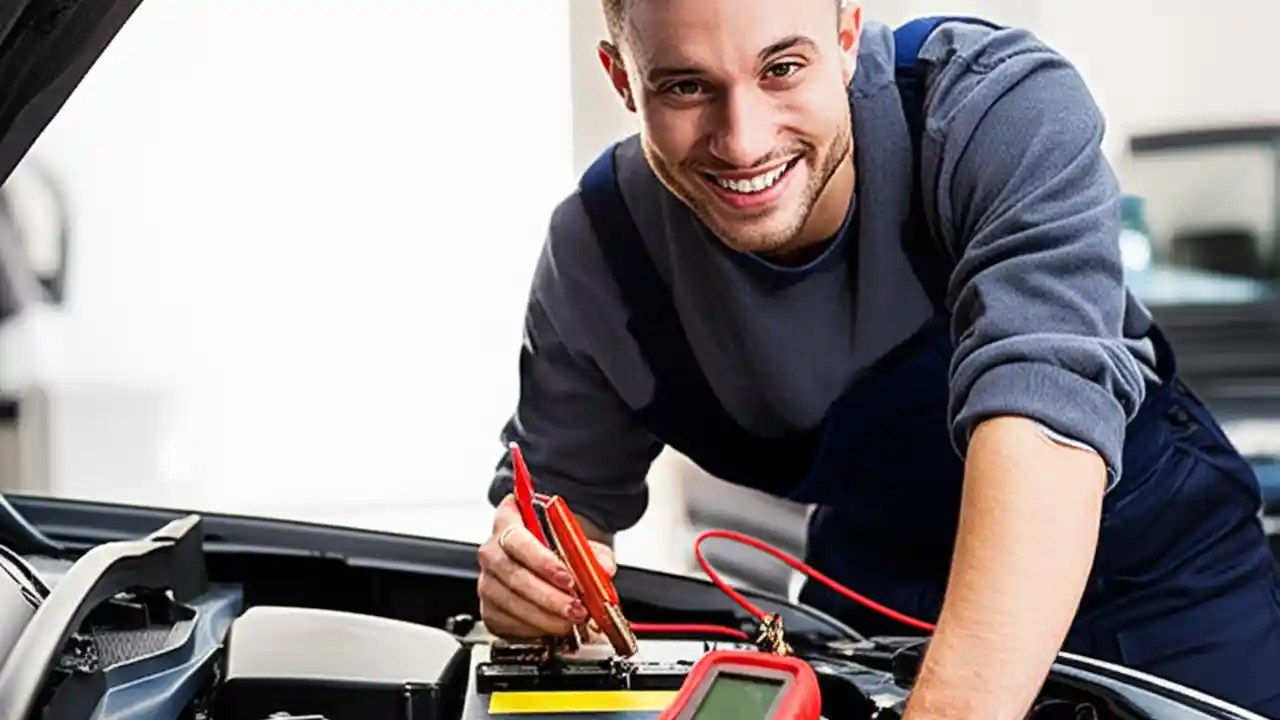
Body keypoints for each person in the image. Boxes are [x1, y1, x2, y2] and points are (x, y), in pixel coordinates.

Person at [476, 1, 1280, 717]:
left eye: (783, 67)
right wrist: (529, 575)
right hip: (873, 611)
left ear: (848, 31)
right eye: (686, 86)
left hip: (1164, 593)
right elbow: (557, 512)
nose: (744, 140)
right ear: (622, 76)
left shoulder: (995, 112)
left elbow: (1045, 421)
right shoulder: (603, 255)